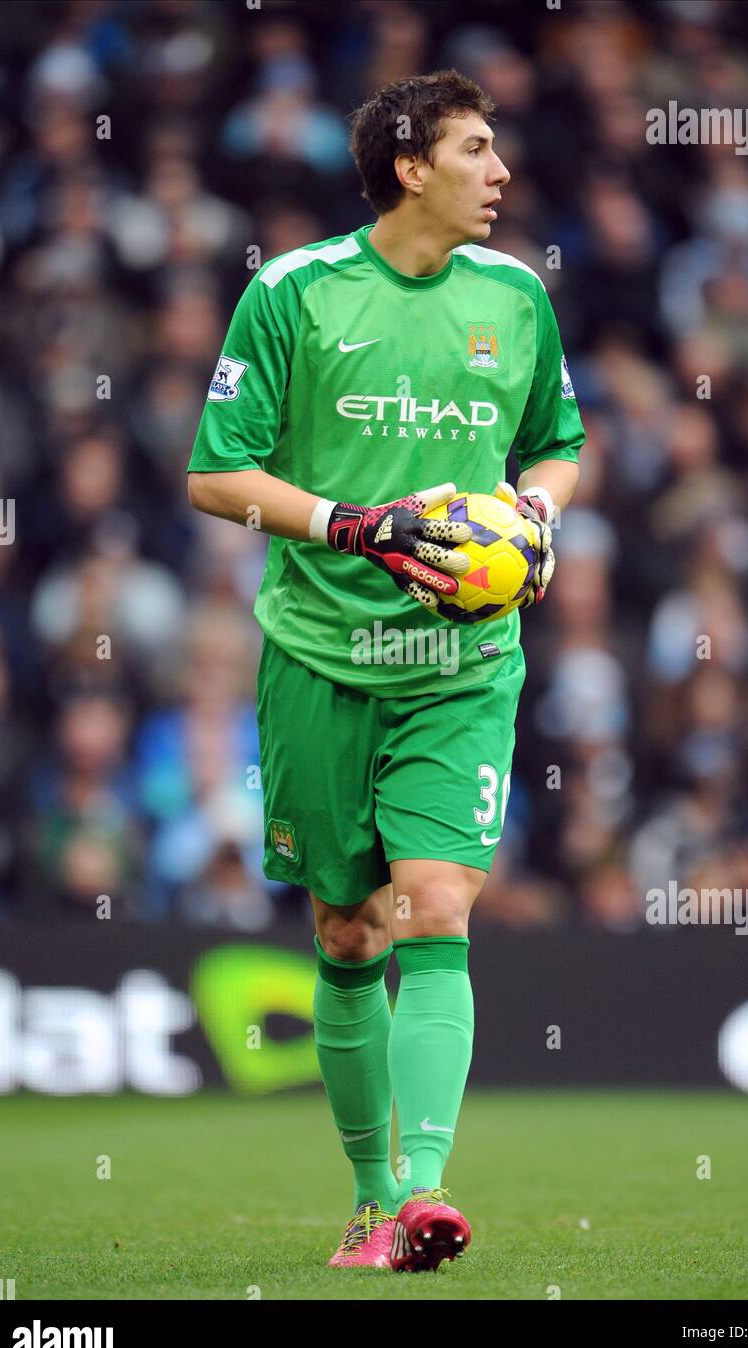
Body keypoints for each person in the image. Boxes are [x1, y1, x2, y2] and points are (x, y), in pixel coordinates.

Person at [187, 68, 584, 1273]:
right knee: (348, 932)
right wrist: (350, 525)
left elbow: (558, 445)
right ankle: (369, 1199)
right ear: (409, 166)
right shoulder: (292, 293)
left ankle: (422, 1193)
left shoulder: (516, 297)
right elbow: (216, 473)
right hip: (318, 657)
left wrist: (533, 517)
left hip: (462, 663)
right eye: (475, 150)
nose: (500, 172)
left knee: (438, 904)